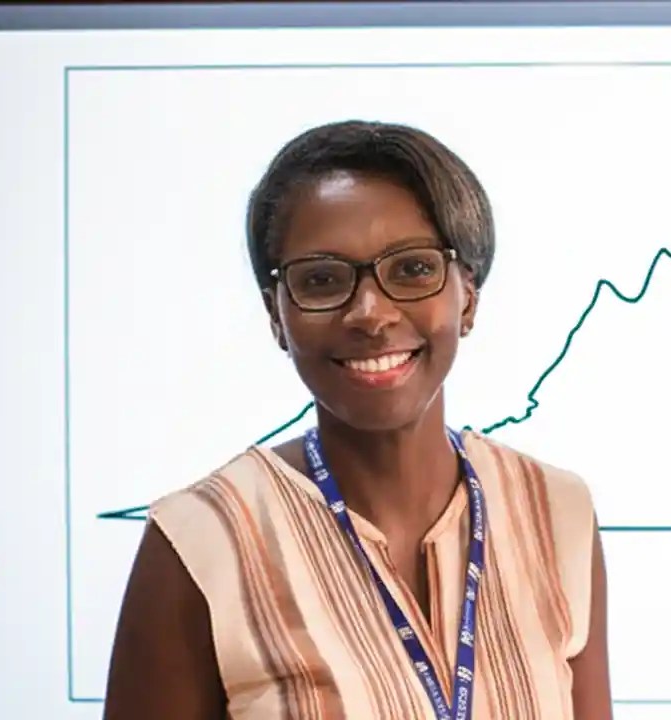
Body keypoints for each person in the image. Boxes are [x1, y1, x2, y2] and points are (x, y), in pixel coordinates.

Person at [102, 120, 612, 719]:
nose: (371, 313)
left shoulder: (556, 511)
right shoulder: (199, 542)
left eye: (413, 270)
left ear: (467, 297)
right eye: (321, 280)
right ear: (276, 316)